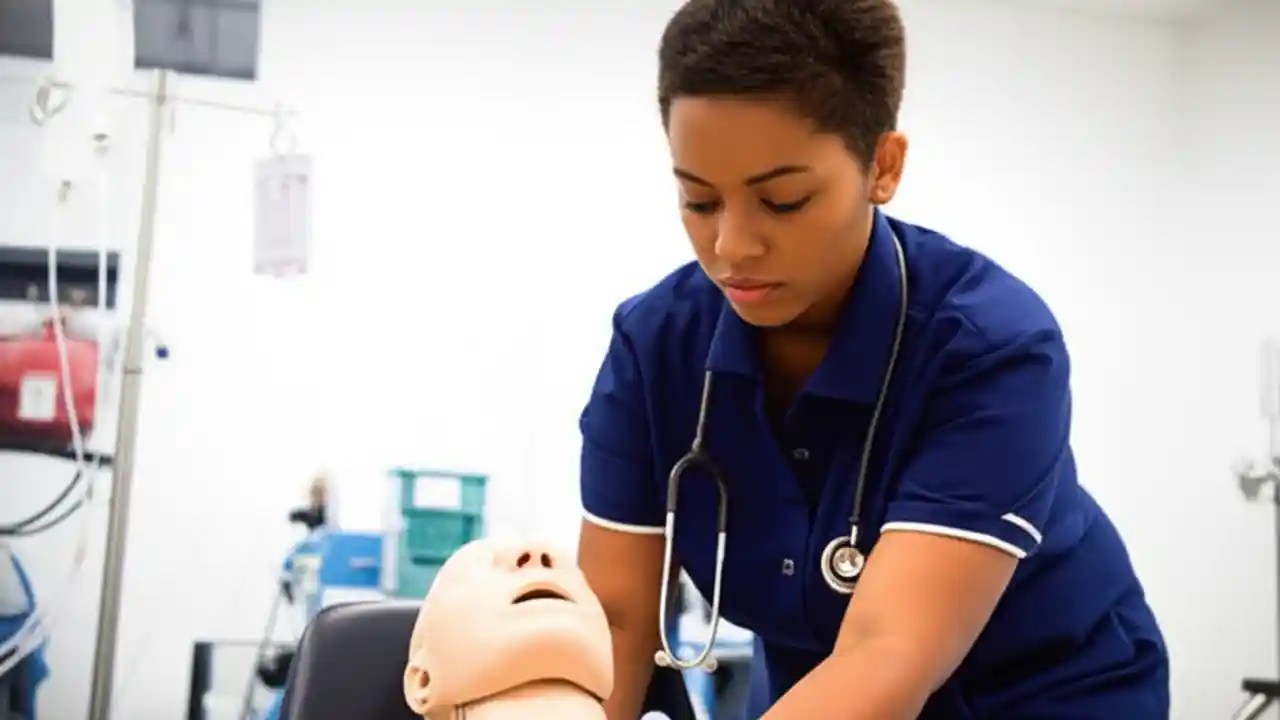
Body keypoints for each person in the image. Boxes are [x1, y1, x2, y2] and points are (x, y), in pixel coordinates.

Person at [574, 1, 1170, 718]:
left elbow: (887, 655)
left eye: (783, 200)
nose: (731, 247)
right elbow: (614, 623)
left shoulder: (991, 347)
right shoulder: (656, 346)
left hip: (1045, 697)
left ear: (882, 167)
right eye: (699, 200)